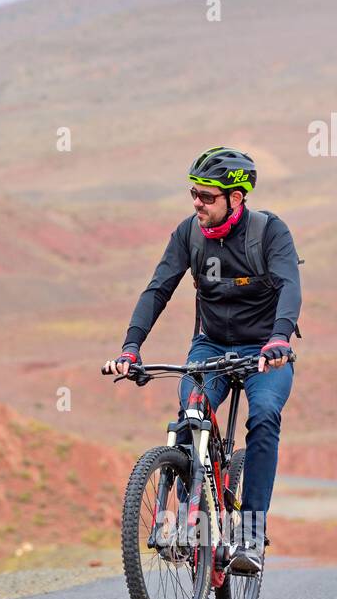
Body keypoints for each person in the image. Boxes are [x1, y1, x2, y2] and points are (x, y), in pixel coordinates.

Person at [102, 147, 301, 573]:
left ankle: (249, 531)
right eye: (194, 194)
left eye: (207, 197)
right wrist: (130, 347)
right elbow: (158, 289)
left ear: (236, 198)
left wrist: (279, 338)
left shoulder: (269, 232)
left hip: (264, 351)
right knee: (191, 414)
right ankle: (186, 522)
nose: (197, 203)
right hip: (210, 346)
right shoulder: (188, 234)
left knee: (264, 414)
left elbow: (289, 286)